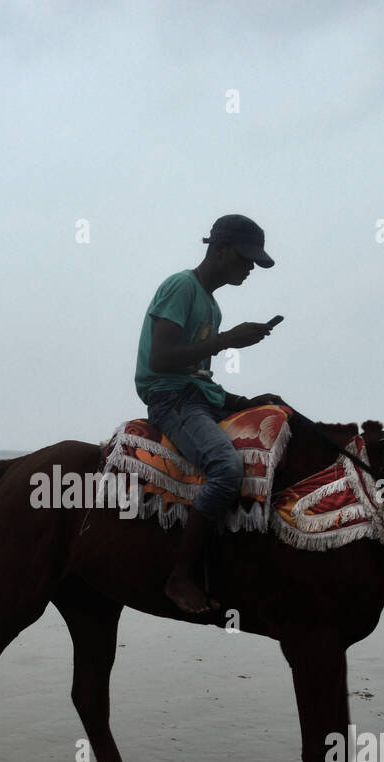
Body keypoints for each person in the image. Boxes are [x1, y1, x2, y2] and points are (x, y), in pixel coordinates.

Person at [135, 214, 283, 614]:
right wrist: (226, 341)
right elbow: (161, 359)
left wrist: (246, 401)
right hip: (170, 399)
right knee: (226, 468)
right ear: (219, 250)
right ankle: (179, 576)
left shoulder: (212, 305)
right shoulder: (181, 287)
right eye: (245, 258)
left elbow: (199, 377)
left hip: (196, 396)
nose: (250, 267)